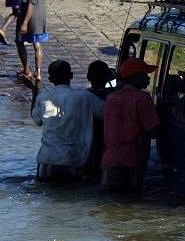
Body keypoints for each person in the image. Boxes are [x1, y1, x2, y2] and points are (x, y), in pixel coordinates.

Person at [31, 60, 104, 181]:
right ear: (71, 75)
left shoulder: (43, 97)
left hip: (46, 160)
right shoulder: (85, 97)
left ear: (50, 79)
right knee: (70, 195)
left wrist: (34, 91)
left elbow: (37, 120)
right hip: (72, 159)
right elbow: (107, 114)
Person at [101, 58, 161, 197]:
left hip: (110, 161)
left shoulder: (111, 98)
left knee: (110, 202)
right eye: (144, 74)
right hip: (133, 161)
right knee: (131, 201)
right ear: (134, 77)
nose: (147, 77)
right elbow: (153, 131)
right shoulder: (142, 98)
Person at [16, 0, 48, 87]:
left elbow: (31, 4)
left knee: (19, 42)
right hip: (39, 18)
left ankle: (27, 70)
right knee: (37, 43)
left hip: (30, 18)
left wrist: (25, 22)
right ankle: (38, 73)